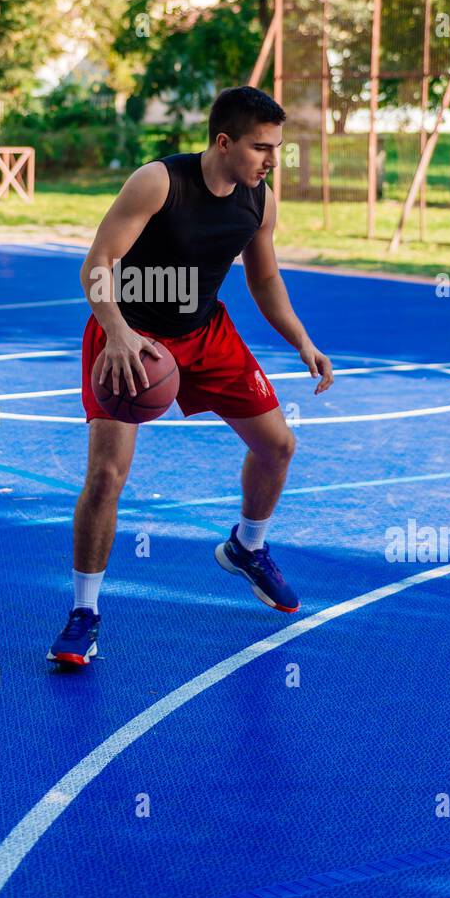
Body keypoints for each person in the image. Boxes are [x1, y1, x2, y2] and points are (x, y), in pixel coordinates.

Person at [47, 85, 334, 666]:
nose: (271, 160)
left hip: (206, 334)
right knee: (106, 475)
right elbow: (97, 265)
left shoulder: (260, 200)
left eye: (276, 147)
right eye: (260, 148)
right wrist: (120, 332)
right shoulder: (158, 182)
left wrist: (301, 340)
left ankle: (246, 548)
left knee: (278, 445)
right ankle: (84, 613)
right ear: (223, 142)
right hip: (129, 335)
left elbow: (264, 280)